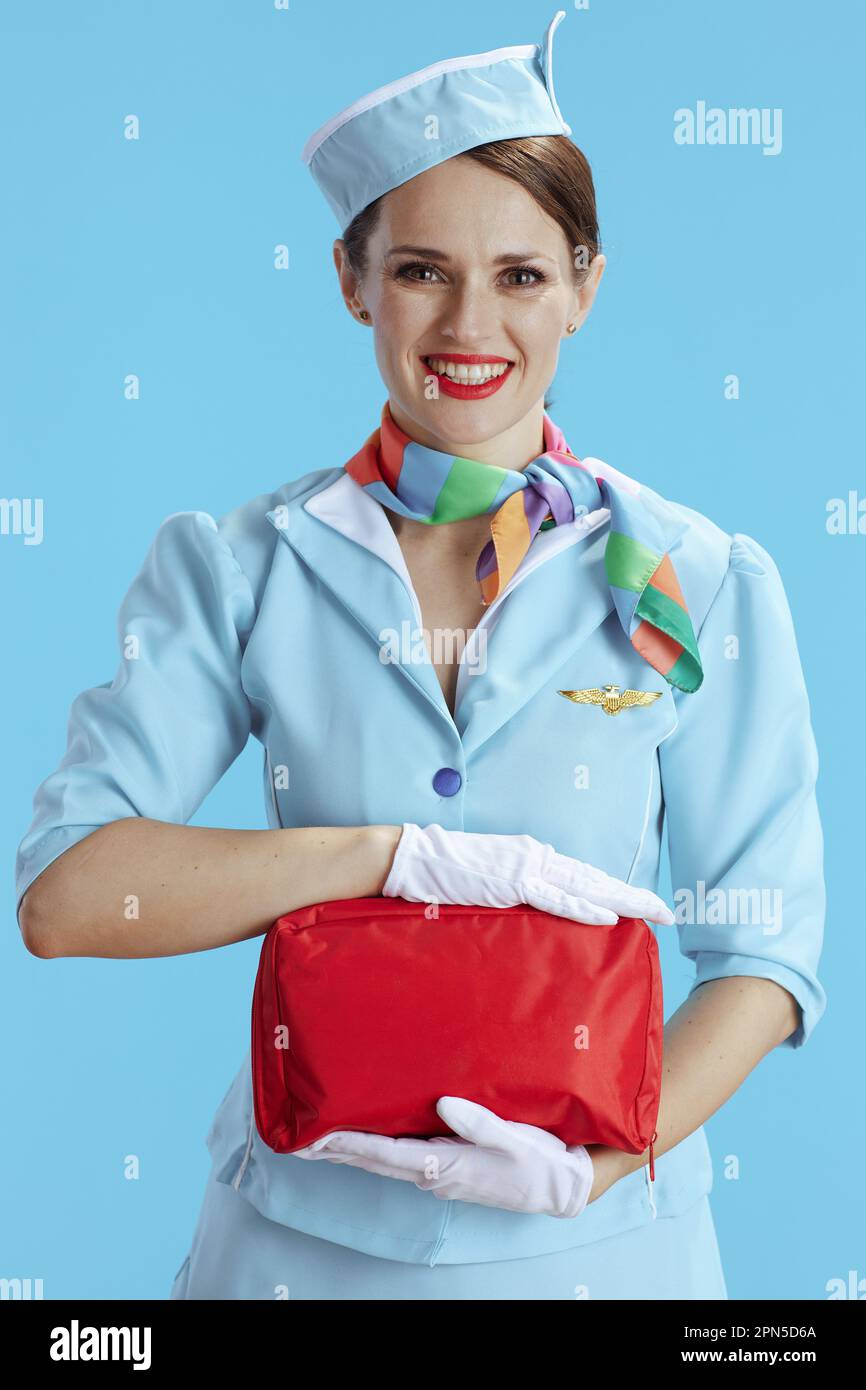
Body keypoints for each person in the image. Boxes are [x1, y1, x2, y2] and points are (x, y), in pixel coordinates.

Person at [15, 10, 825, 1300]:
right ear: (351, 279)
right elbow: (65, 901)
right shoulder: (239, 567)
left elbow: (768, 958)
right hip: (295, 1251)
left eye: (520, 275)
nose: (469, 323)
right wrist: (386, 858)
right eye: (419, 269)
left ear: (583, 286)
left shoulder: (698, 581)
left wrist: (596, 1166)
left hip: (608, 1260)